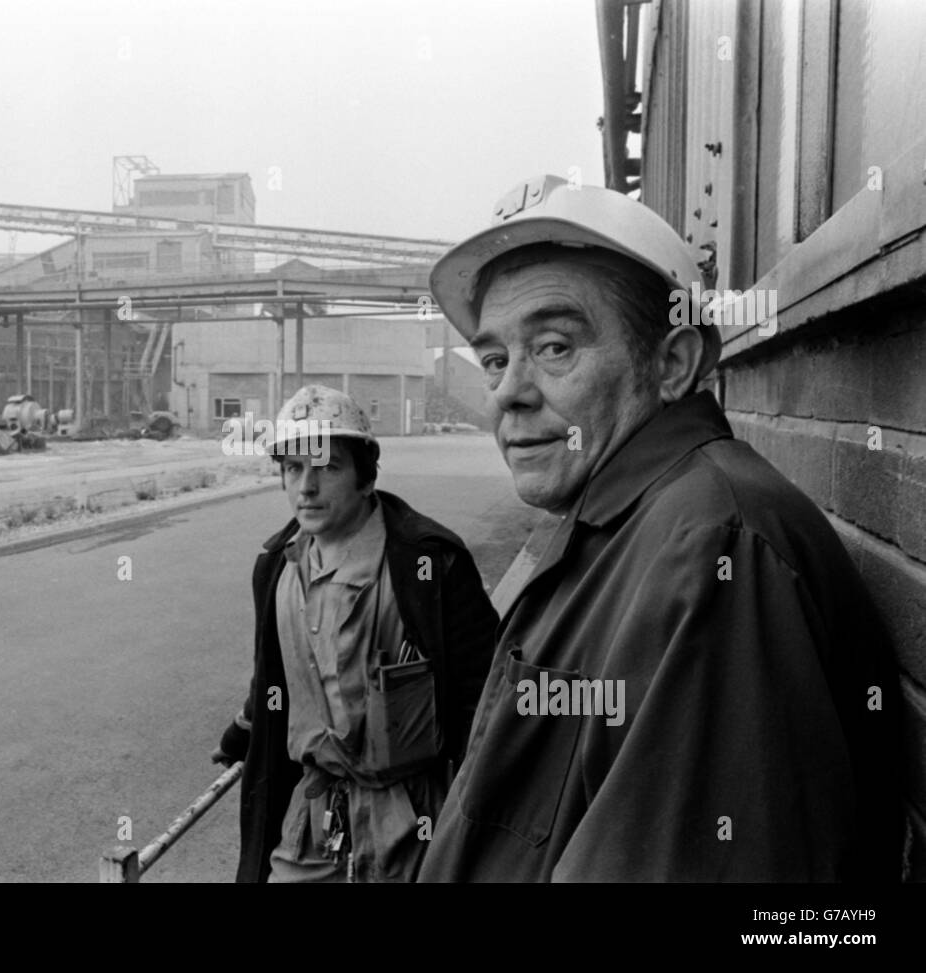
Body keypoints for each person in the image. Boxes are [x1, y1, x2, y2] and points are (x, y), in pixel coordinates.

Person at [418, 174, 903, 882]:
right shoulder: (620, 522)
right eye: (495, 359)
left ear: (672, 362)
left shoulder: (713, 552)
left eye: (554, 347)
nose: (508, 394)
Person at [212, 385, 497, 882]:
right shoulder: (276, 568)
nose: (306, 487)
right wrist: (244, 729)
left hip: (411, 817)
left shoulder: (427, 564)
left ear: (366, 477)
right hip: (315, 813)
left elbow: (486, 696)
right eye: (294, 468)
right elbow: (276, 677)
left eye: (327, 467)